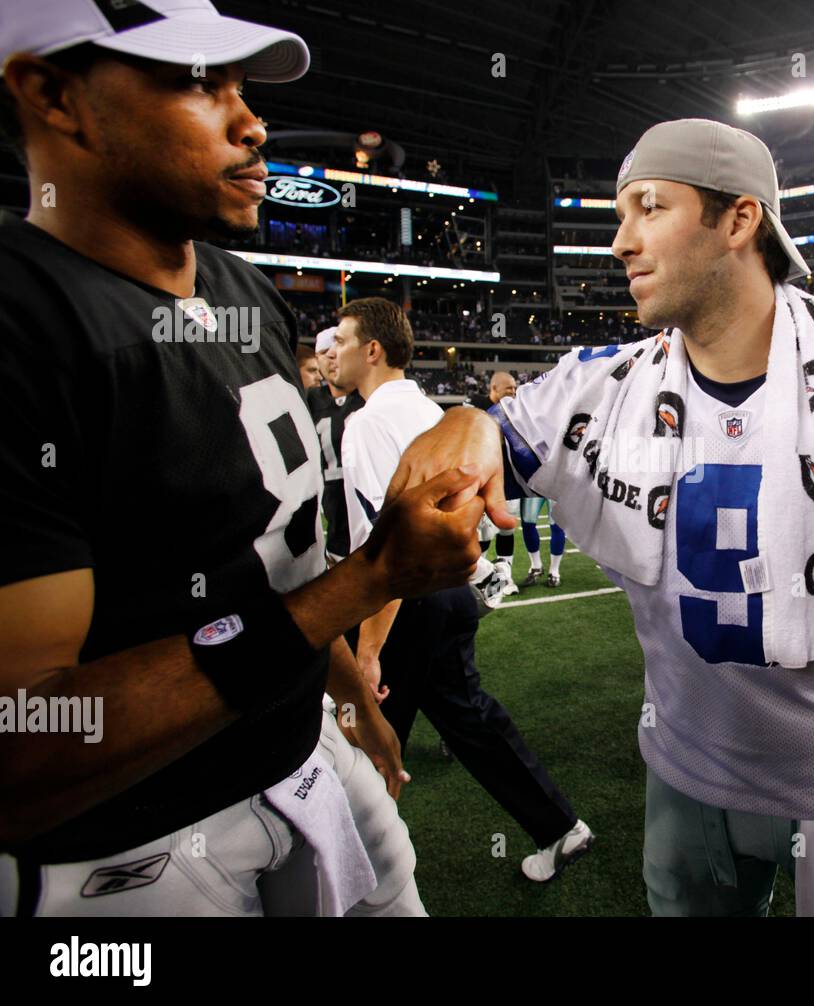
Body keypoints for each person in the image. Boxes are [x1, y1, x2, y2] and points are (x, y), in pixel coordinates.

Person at [389, 118, 814, 917]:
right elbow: (509, 430)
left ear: (740, 220)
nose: (621, 242)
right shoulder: (604, 384)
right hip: (686, 779)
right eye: (619, 215)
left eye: (649, 207)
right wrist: (468, 418)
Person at [0, 1, 485, 916]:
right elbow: (22, 744)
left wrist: (347, 693)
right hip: (127, 855)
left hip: (310, 764)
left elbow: (268, 563)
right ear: (52, 94)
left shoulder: (243, 289)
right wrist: (370, 579)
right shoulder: (25, 321)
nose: (249, 119)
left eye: (240, 85)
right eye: (196, 83)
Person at [331, 298, 592, 882]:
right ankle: (559, 826)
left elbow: (395, 547)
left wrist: (367, 651)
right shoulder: (430, 411)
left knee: (363, 745)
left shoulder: (367, 423)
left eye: (343, 342)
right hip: (450, 592)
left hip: (404, 602)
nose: (333, 356)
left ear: (372, 350)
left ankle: (360, 880)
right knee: (465, 717)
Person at [306, 326, 364, 566]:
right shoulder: (308, 399)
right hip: (333, 518)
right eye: (324, 352)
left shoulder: (372, 394)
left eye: (338, 349)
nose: (332, 357)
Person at [466, 371, 520, 594]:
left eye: (515, 389)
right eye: (509, 388)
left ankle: (501, 581)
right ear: (494, 388)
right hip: (482, 481)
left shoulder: (516, 412)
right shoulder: (475, 406)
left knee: (506, 531)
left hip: (507, 480)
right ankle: (482, 580)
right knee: (483, 534)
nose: (513, 393)